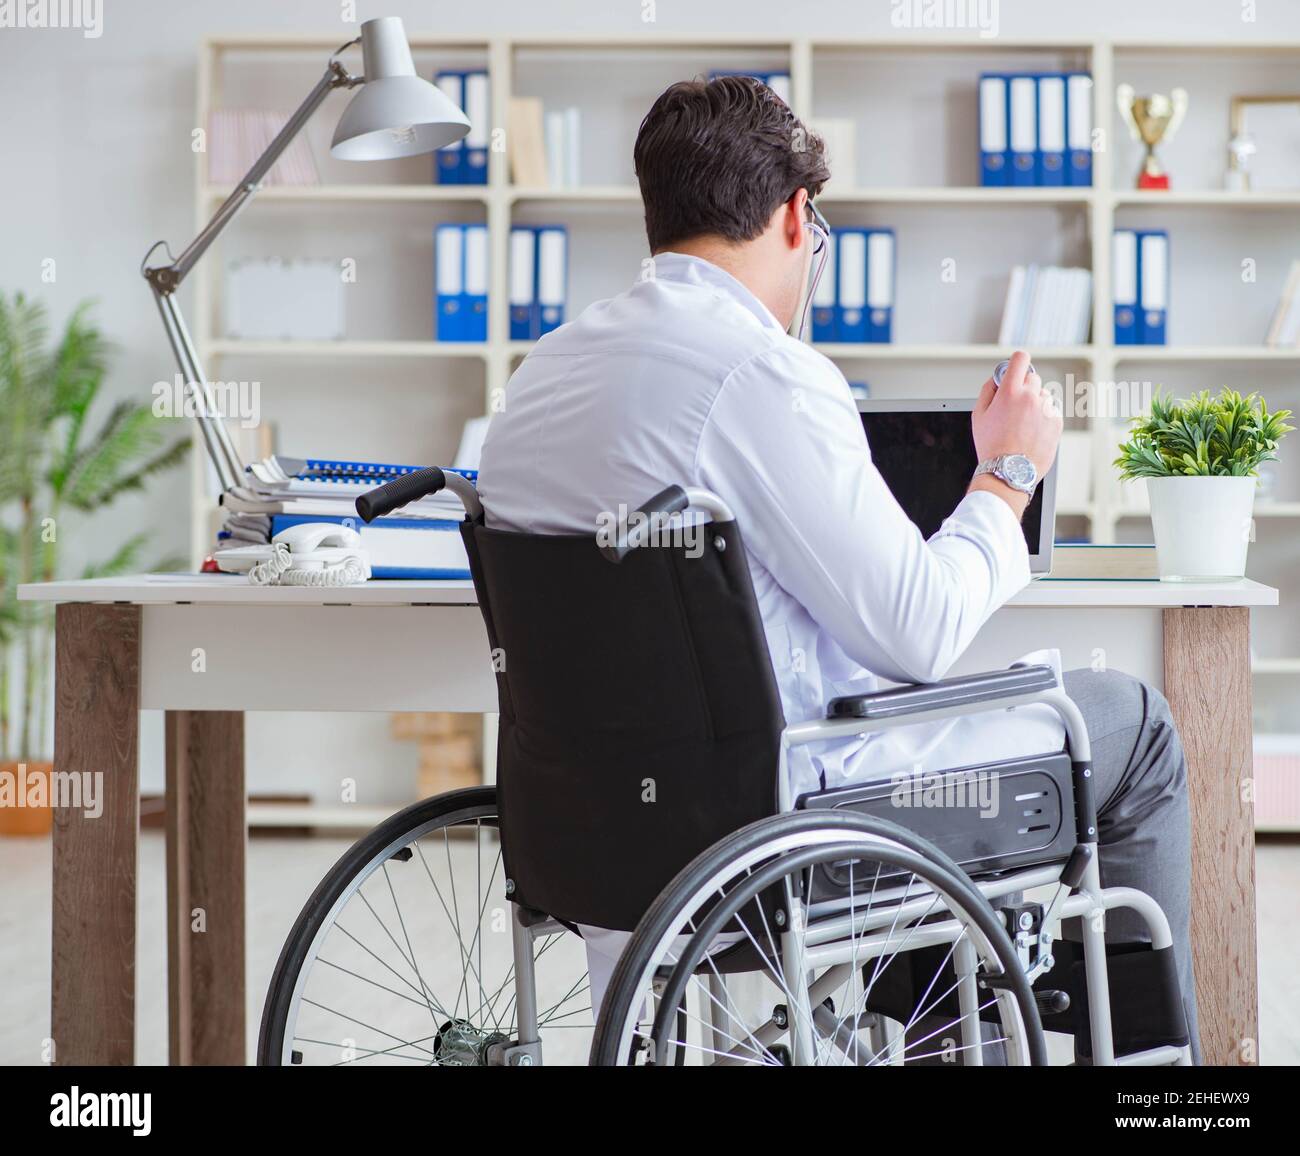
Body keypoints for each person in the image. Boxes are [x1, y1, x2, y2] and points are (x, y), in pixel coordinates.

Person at [476, 75, 1199, 1060]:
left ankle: (952, 1038)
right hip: (778, 837)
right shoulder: (763, 373)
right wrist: (1007, 475)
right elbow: (917, 630)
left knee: (929, 743)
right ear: (794, 216)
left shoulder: (537, 380)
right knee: (1134, 725)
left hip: (592, 840)